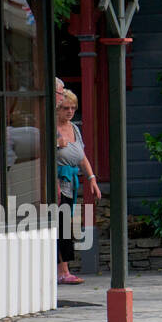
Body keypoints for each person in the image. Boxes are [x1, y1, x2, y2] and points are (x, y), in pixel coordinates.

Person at [56, 89, 99, 285]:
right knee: (60, 226)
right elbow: (44, 157)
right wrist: (57, 144)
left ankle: (64, 270)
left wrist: (91, 178)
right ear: (57, 109)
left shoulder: (74, 128)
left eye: (73, 108)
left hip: (71, 183)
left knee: (66, 225)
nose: (70, 111)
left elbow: (81, 157)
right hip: (57, 182)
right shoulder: (51, 129)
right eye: (66, 108)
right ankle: (62, 271)